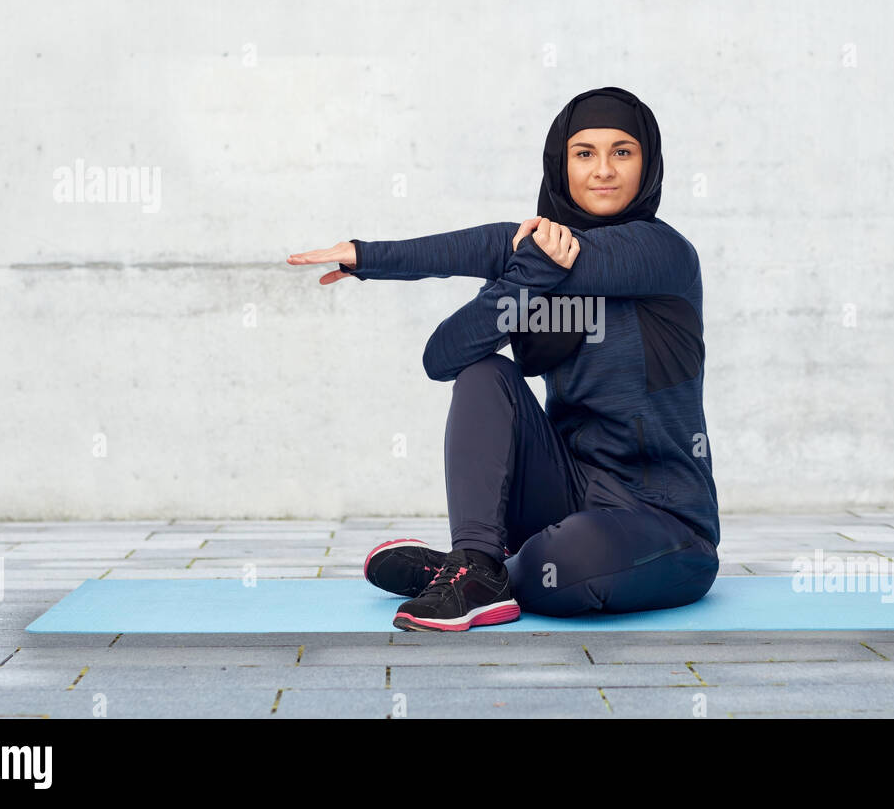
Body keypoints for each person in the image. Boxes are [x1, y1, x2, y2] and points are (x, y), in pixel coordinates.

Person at [287, 86, 719, 632]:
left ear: (647, 163)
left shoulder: (664, 254)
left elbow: (512, 250)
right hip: (566, 492)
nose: (603, 170)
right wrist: (367, 258)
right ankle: (475, 565)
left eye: (622, 152)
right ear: (560, 164)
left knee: (564, 566)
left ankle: (471, 574)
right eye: (584, 153)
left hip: (665, 524)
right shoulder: (539, 266)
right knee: (485, 370)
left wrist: (531, 267)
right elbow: (442, 356)